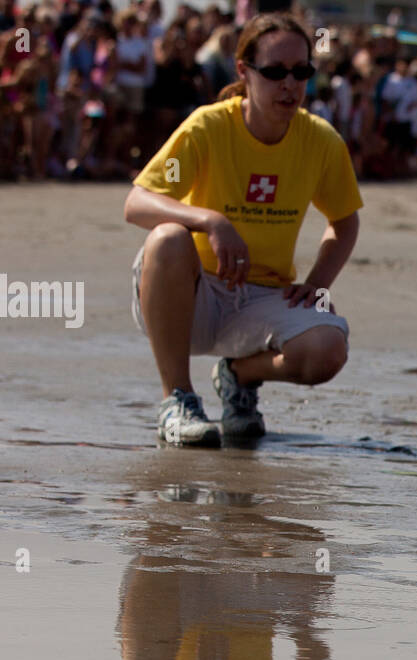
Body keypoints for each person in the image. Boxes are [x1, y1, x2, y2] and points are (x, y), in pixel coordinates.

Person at [124, 13, 362, 446]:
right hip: (190, 297)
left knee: (328, 347)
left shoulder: (321, 141)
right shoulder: (208, 127)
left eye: (301, 71)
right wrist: (210, 220)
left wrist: (317, 283)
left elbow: (344, 222)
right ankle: (177, 399)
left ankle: (238, 377)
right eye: (273, 72)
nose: (289, 84)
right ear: (243, 71)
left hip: (263, 296)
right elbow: (137, 201)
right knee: (168, 237)